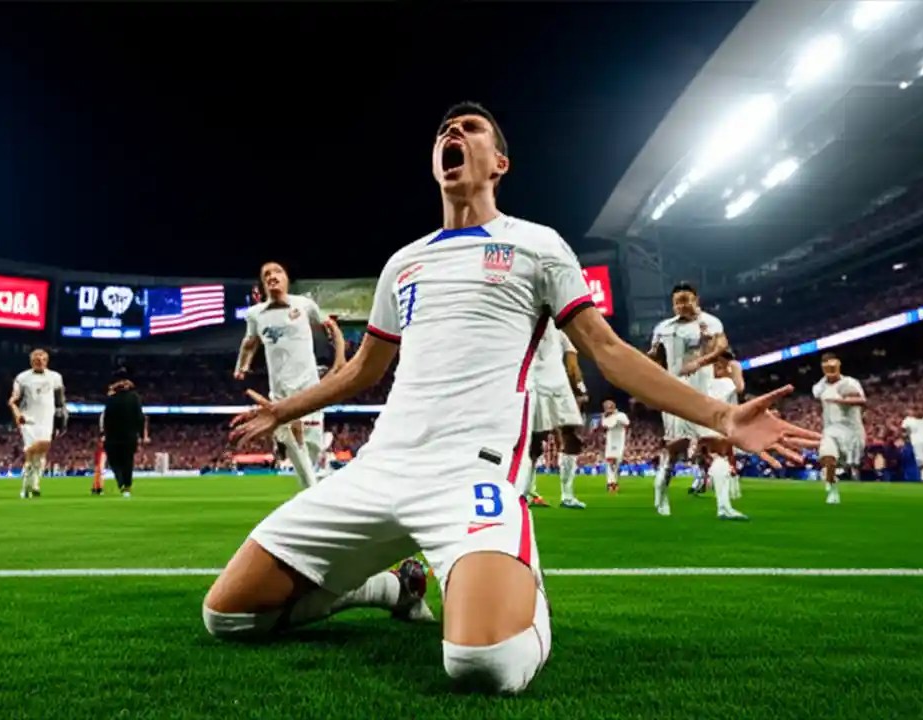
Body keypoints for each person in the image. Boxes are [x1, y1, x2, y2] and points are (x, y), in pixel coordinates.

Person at [214, 102, 817, 695]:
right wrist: (283, 408)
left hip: (468, 475)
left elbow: (607, 351)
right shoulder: (404, 264)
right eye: (444, 130)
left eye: (469, 128)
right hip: (379, 469)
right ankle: (396, 588)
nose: (452, 132)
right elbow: (364, 371)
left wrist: (721, 413)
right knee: (231, 615)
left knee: (485, 664)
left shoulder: (538, 246)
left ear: (499, 162)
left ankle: (521, 579)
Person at [235, 262, 345, 490]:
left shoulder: (305, 305)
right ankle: (313, 491)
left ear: (286, 279)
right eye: (267, 274)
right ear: (263, 283)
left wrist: (339, 357)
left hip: (310, 388)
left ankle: (311, 485)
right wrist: (242, 366)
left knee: (311, 448)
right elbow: (249, 343)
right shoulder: (255, 315)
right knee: (291, 440)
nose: (272, 276)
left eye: (277, 272)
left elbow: (330, 327)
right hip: (280, 393)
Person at [647, 283, 728, 516]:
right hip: (675, 396)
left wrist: (701, 360)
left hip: (704, 393)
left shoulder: (710, 322)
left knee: (716, 446)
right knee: (674, 450)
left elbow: (721, 346)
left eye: (686, 300)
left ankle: (724, 507)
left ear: (696, 299)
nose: (682, 305)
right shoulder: (662, 328)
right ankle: (661, 497)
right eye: (678, 301)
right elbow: (654, 358)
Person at [521, 320, 588, 509]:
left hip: (556, 386)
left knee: (569, 439)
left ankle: (566, 495)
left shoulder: (559, 329)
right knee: (535, 443)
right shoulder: (527, 322)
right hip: (535, 384)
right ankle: (527, 492)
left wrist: (581, 389)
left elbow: (573, 365)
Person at [693, 350, 747, 519]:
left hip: (704, 425)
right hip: (715, 426)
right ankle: (723, 507)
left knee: (719, 462)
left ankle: (723, 506)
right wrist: (736, 370)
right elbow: (740, 387)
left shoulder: (702, 382)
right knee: (720, 460)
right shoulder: (722, 383)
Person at [8, 349, 66, 499]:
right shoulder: (22, 378)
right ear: (31, 361)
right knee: (30, 451)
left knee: (40, 454)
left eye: (42, 360)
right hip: (28, 420)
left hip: (47, 419)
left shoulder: (55, 377)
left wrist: (62, 421)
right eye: (36, 360)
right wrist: (17, 414)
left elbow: (60, 401)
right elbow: (13, 400)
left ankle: (35, 484)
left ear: (47, 361)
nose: (39, 362)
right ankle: (26, 486)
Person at [812, 352, 866, 504]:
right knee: (828, 457)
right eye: (826, 365)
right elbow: (818, 396)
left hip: (851, 431)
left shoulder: (849, 383)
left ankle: (844, 475)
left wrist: (840, 400)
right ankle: (832, 487)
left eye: (832, 365)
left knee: (847, 463)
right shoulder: (819, 387)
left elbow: (861, 400)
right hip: (831, 429)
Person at [100, 370, 148, 498]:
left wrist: (103, 434)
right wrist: (143, 435)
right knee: (128, 461)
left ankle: (121, 483)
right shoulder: (135, 397)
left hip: (113, 436)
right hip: (130, 436)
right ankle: (127, 486)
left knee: (114, 461)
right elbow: (140, 417)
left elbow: (106, 418)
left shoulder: (111, 398)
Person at [600, 400, 630, 493]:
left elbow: (627, 423)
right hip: (610, 441)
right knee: (610, 462)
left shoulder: (621, 415)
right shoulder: (605, 417)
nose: (607, 409)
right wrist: (605, 416)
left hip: (619, 441)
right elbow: (605, 426)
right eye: (605, 407)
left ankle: (614, 481)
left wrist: (616, 418)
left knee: (616, 462)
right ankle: (611, 483)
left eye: (609, 406)